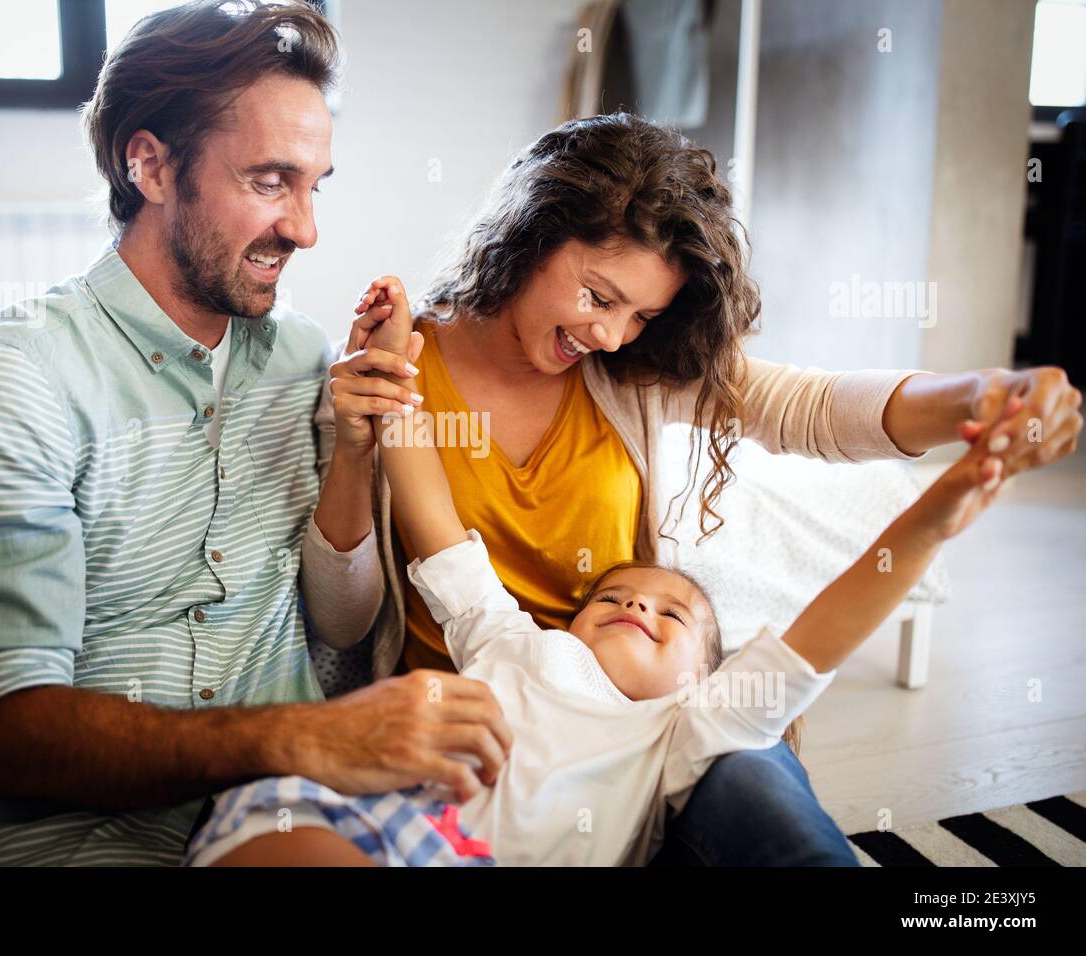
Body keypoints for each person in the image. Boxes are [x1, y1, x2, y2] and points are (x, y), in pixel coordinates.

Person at [307, 114, 1082, 865]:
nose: (609, 336)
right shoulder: (399, 379)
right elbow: (344, 622)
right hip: (463, 739)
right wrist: (375, 414)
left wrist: (984, 395)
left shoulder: (632, 373)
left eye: (641, 314)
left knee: (762, 795)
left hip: (650, 732)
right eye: (599, 296)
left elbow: (809, 408)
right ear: (530, 237)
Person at [0, 1, 510, 866]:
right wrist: (307, 736)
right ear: (147, 163)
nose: (305, 228)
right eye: (269, 181)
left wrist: (354, 446)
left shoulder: (299, 353)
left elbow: (339, 628)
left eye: (313, 185)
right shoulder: (8, 384)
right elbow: (8, 733)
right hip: (90, 843)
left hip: (291, 815)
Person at [188, 277, 1024, 867]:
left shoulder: (693, 729)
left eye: (672, 620)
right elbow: (433, 518)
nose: (636, 607)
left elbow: (822, 632)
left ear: (703, 673)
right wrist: (400, 369)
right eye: (614, 598)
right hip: (367, 816)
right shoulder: (514, 643)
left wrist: (944, 501)